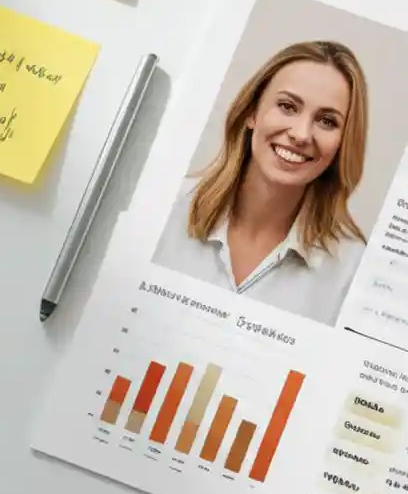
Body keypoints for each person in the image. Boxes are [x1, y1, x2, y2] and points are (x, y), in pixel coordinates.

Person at [155, 41, 368, 325]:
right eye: (287, 106)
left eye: (327, 121)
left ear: (343, 142)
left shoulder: (353, 269)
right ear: (252, 112)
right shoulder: (162, 206)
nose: (301, 134)